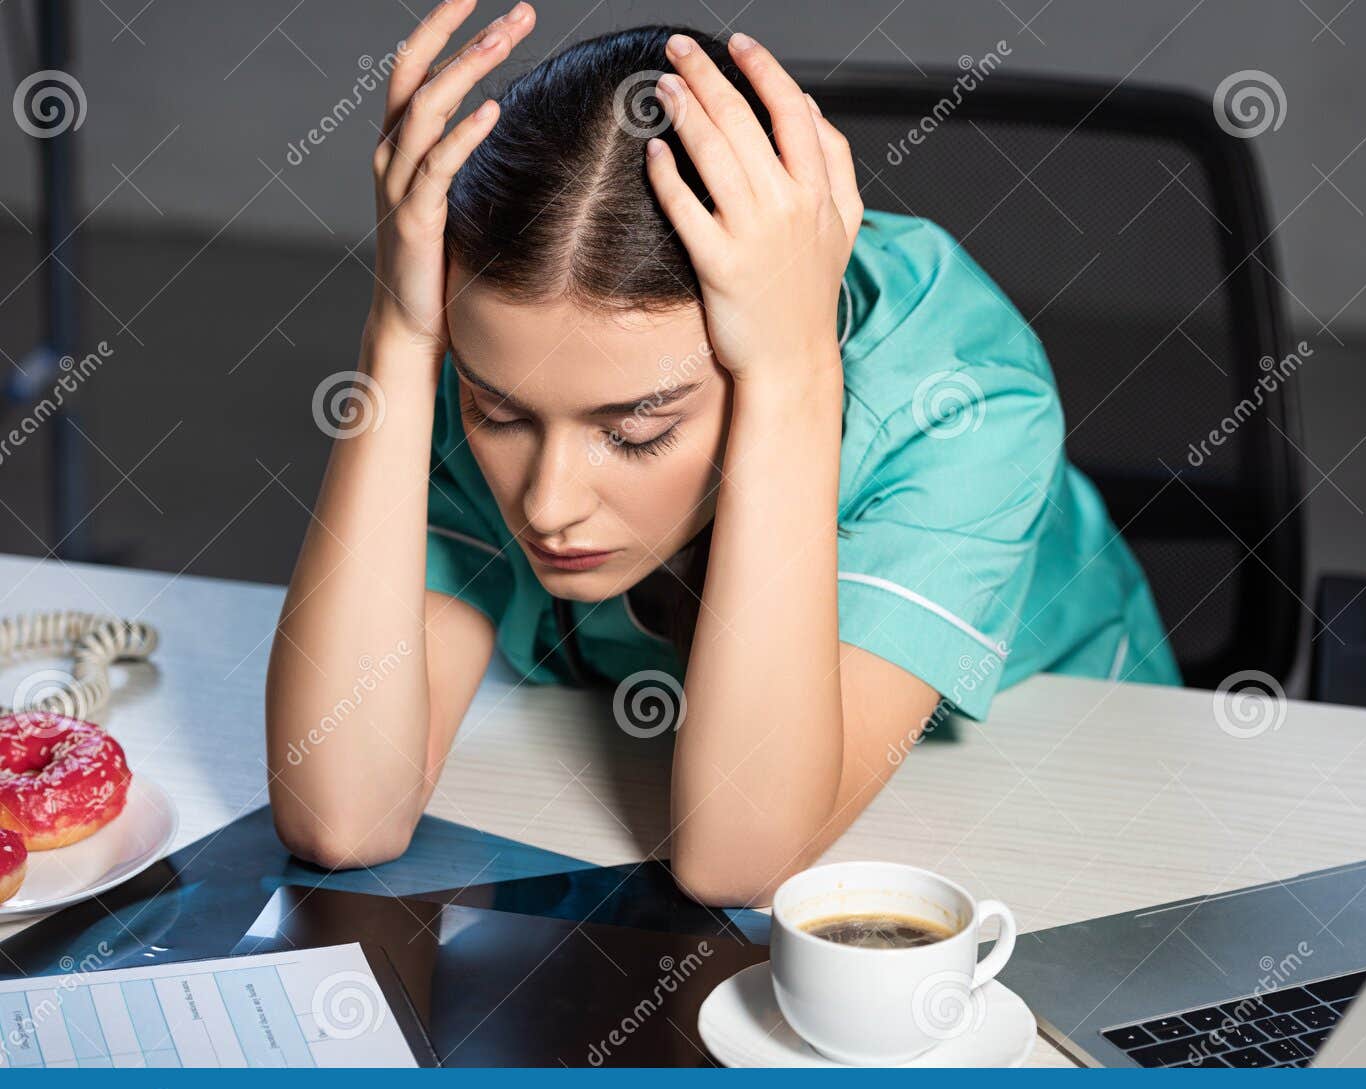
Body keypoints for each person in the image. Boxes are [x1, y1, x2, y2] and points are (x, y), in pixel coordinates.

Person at [265, 1, 1178, 907]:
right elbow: (341, 817)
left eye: (637, 430)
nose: (547, 503)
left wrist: (792, 377)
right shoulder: (474, 348)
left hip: (1076, 799)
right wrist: (398, 334)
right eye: (498, 415)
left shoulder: (964, 397)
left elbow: (738, 860)